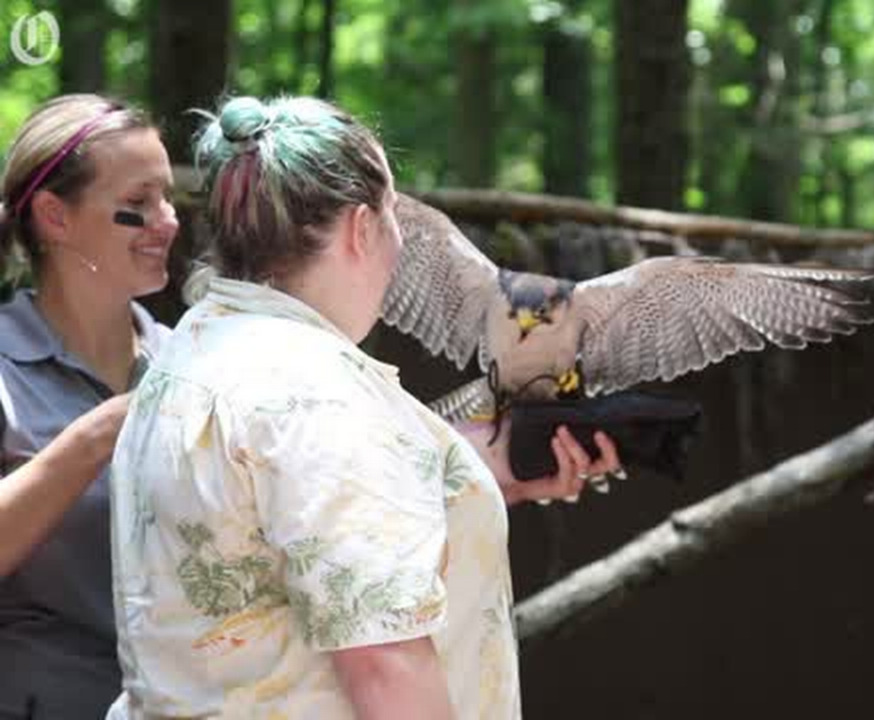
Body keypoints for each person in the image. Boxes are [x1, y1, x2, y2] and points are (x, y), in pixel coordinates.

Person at [108, 95, 613, 718]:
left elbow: (277, 521)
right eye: (394, 214)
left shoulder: (192, 348)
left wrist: (476, 473)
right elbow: (386, 668)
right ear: (361, 226)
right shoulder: (322, 398)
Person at [0, 94, 180, 718]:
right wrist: (99, 435)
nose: (169, 221)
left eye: (168, 197)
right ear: (54, 216)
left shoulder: (191, 358)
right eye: (138, 205)